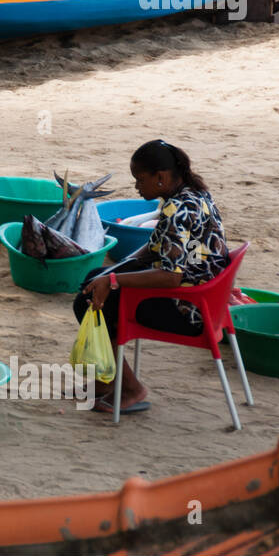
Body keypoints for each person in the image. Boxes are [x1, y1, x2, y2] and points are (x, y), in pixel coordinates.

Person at [73, 140, 231, 415]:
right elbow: (159, 246)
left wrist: (114, 281)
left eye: (140, 179)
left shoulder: (176, 210)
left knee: (90, 302)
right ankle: (104, 381)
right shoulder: (195, 194)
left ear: (160, 177)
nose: (136, 187)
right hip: (207, 297)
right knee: (92, 279)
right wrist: (121, 266)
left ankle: (131, 387)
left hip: (189, 307)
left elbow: (171, 277)